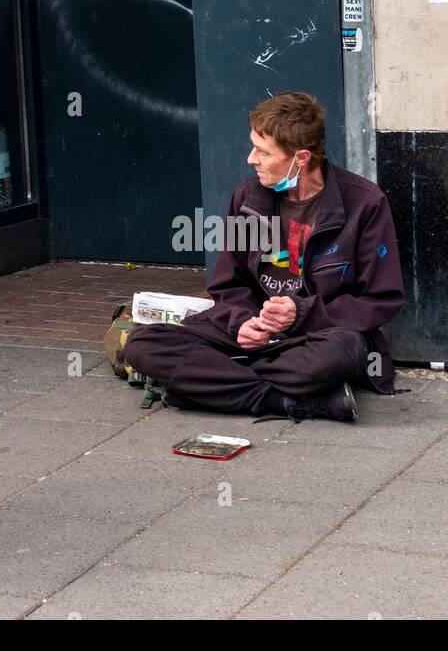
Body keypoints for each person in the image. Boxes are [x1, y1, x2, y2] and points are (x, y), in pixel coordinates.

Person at [121, 92, 406, 422]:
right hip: (255, 330)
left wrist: (299, 313)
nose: (250, 159)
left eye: (263, 151)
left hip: (320, 336)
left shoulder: (364, 204)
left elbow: (381, 299)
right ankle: (287, 401)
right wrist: (243, 322)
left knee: (341, 354)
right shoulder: (249, 199)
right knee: (143, 344)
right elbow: (228, 284)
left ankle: (211, 382)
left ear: (300, 158)